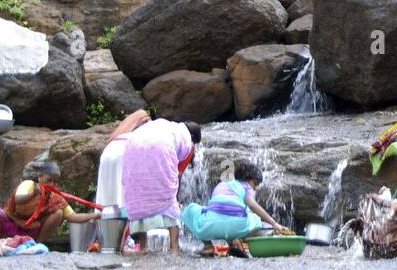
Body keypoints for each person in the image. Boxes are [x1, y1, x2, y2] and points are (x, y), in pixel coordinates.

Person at [120, 117, 201, 254]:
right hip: (160, 145)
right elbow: (178, 175)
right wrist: (174, 197)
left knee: (139, 194)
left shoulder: (168, 127)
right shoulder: (186, 141)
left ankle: (143, 247)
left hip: (132, 144)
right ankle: (174, 247)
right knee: (169, 200)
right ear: (192, 137)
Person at [182, 159, 293, 255]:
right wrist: (274, 224)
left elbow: (221, 215)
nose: (255, 189)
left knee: (190, 209)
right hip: (237, 227)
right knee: (254, 218)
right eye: (255, 184)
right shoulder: (246, 186)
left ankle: (208, 246)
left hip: (208, 227)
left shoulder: (222, 185)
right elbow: (252, 205)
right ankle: (236, 241)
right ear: (248, 179)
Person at [95, 108, 152, 210]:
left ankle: (103, 218)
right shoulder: (142, 136)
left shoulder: (118, 136)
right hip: (125, 151)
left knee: (107, 194)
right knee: (122, 195)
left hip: (108, 152)